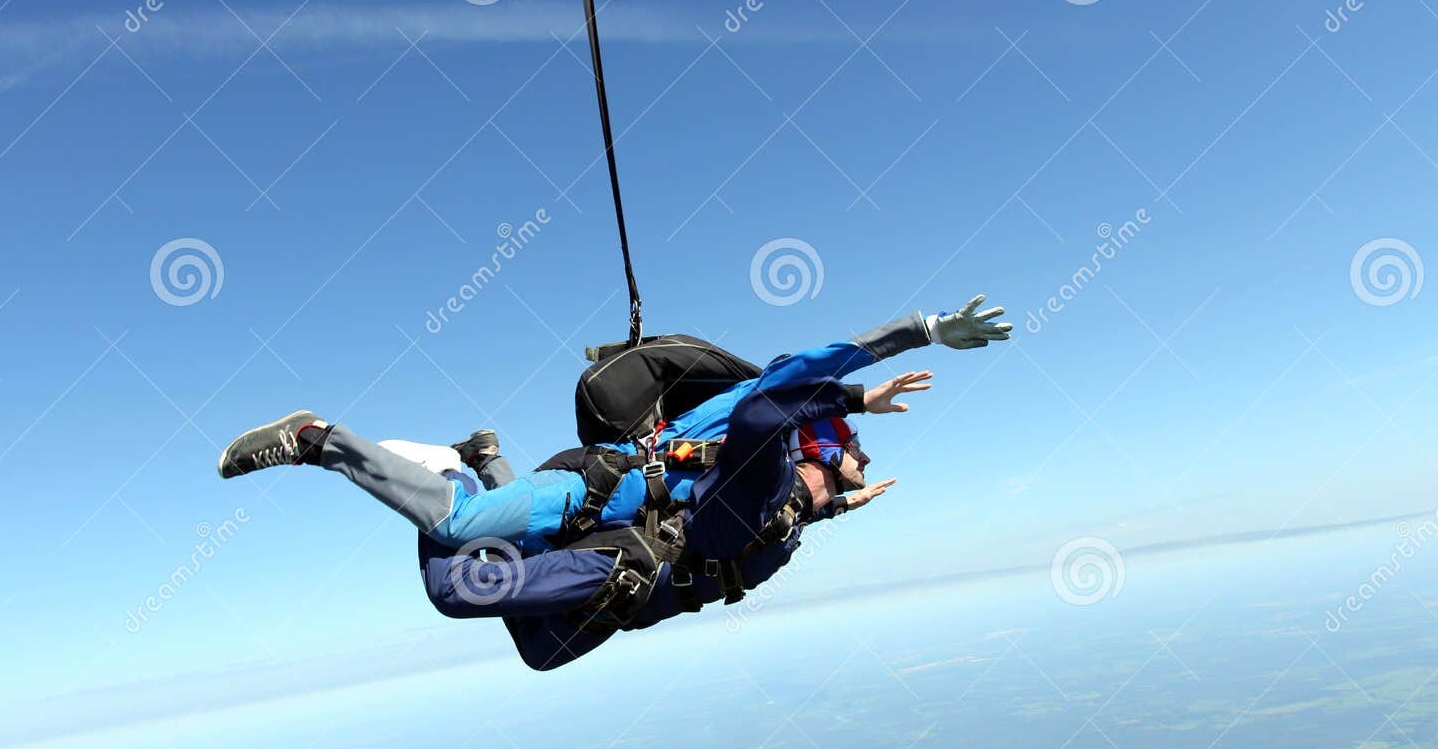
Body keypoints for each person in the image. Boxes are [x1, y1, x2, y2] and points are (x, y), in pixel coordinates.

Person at [215, 296, 1012, 558]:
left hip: (605, 494)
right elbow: (810, 368)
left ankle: (481, 456)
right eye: (854, 464)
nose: (860, 470)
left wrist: (843, 484)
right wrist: (925, 329)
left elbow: (796, 486)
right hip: (595, 483)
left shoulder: (758, 463)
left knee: (518, 545)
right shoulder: (751, 414)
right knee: (460, 529)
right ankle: (321, 440)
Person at [422, 370, 926, 670]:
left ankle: (487, 463)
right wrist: (856, 394)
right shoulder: (767, 482)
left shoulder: (791, 509)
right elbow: (757, 422)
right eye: (858, 449)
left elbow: (768, 526)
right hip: (626, 571)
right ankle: (445, 478)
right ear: (828, 452)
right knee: (459, 590)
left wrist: (836, 506)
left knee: (540, 651)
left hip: (636, 598)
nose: (868, 461)